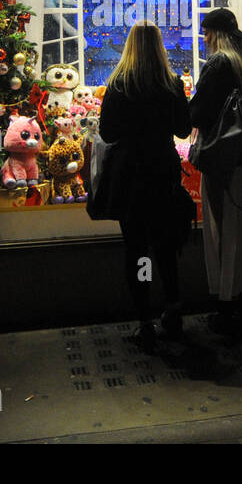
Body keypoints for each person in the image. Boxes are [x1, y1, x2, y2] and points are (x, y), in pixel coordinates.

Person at [97, 21, 193, 351]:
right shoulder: (171, 83)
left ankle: (145, 320)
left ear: (129, 46)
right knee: (165, 245)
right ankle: (173, 308)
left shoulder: (119, 84)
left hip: (130, 174)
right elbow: (183, 130)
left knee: (137, 250)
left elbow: (107, 133)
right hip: (162, 170)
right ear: (159, 47)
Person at [188, 8, 242, 339]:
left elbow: (199, 112)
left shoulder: (218, 64)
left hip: (223, 162)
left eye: (206, 34)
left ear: (214, 34)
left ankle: (225, 309)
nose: (205, 40)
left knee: (222, 235)